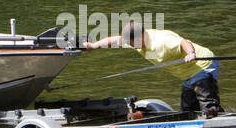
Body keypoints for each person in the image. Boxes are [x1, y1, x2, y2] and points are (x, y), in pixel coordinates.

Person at [83, 21, 222, 117]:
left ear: (140, 36)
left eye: (132, 43)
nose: (132, 46)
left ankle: (225, 125)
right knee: (187, 110)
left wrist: (191, 54)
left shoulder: (161, 41)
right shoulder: (135, 41)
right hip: (187, 73)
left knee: (208, 106)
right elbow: (114, 40)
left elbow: (184, 42)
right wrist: (94, 46)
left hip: (202, 65)